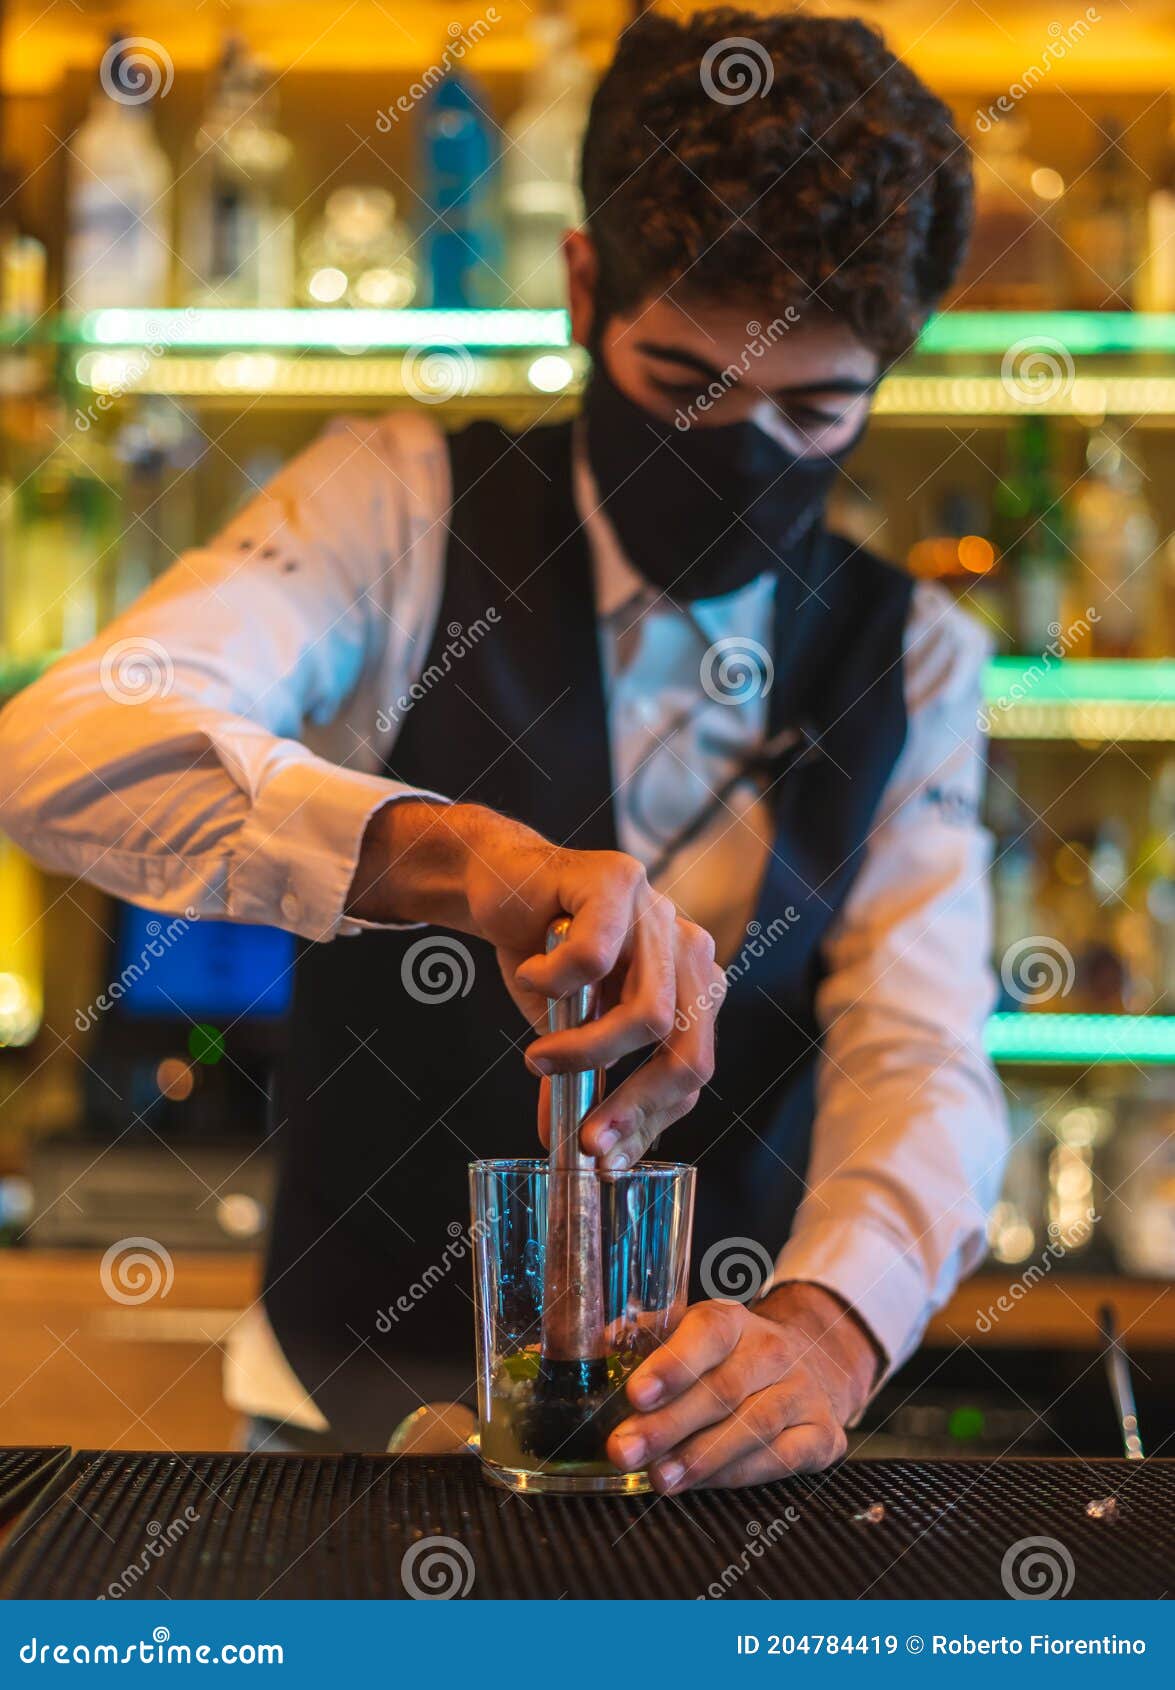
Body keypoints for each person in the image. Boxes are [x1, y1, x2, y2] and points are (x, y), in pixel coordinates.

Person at [0, 10, 1007, 1489]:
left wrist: (826, 1331)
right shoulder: (395, 503)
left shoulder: (912, 654)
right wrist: (454, 855)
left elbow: (923, 1052)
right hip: (344, 1428)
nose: (742, 456)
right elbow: (53, 749)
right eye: (685, 385)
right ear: (585, 288)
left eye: (815, 410)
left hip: (694, 1454)